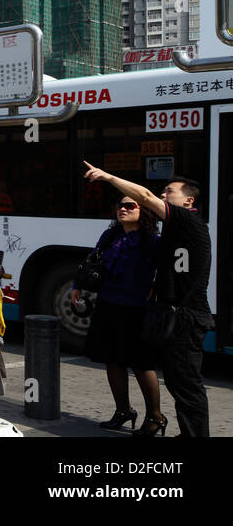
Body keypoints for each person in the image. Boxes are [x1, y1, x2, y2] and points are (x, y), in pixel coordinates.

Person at [83, 163, 212, 437]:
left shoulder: (187, 221)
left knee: (186, 385)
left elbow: (144, 196)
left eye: (169, 192)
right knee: (179, 384)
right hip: (173, 313)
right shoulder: (176, 229)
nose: (162, 196)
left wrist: (107, 175)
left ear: (188, 200)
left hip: (186, 316)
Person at [72, 194, 162, 434]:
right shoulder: (110, 235)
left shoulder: (153, 240)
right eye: (119, 205)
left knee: (141, 364)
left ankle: (155, 416)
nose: (123, 209)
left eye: (130, 205)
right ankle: (123, 410)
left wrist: (153, 292)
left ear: (145, 210)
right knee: (111, 360)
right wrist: (76, 287)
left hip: (137, 309)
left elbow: (164, 273)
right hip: (108, 303)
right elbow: (92, 262)